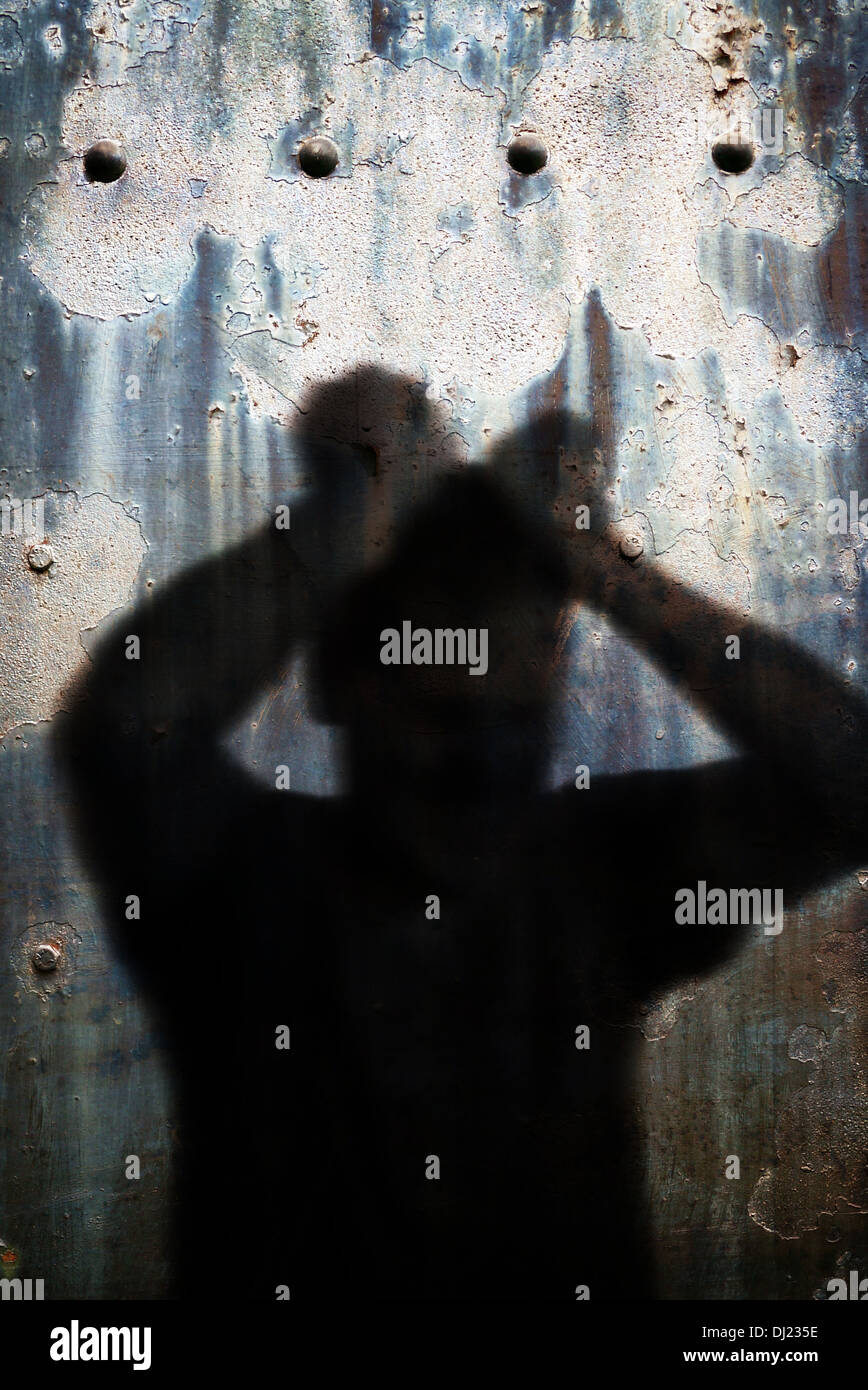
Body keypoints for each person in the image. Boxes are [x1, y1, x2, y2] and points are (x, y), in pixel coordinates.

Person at [59, 351, 868, 1301]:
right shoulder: (250, 877)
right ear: (341, 683)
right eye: (441, 720)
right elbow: (121, 728)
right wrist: (351, 517)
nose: (478, 773)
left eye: (514, 724)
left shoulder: (595, 868)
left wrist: (595, 564)